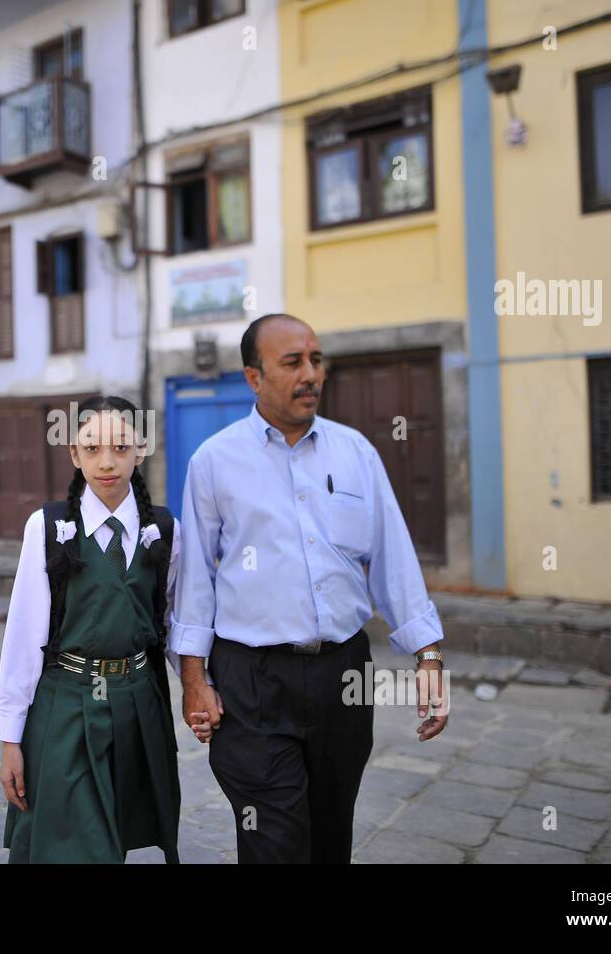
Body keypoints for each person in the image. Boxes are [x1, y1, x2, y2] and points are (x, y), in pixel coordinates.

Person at [171, 313, 449, 865]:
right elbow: (196, 580)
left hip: (344, 676)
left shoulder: (356, 454)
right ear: (254, 378)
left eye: (316, 360)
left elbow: (391, 556)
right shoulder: (214, 463)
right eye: (293, 362)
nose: (311, 375)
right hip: (252, 680)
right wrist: (194, 679)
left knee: (330, 833)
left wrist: (429, 655)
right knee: (274, 840)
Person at [0, 394, 201, 864]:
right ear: (73, 453)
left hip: (138, 703)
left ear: (141, 448)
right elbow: (24, 636)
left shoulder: (165, 530)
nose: (107, 462)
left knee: (120, 831)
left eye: (121, 446)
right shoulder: (48, 527)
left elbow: (170, 622)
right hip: (65, 704)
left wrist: (199, 686)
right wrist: (11, 738)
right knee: (74, 844)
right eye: (91, 448)